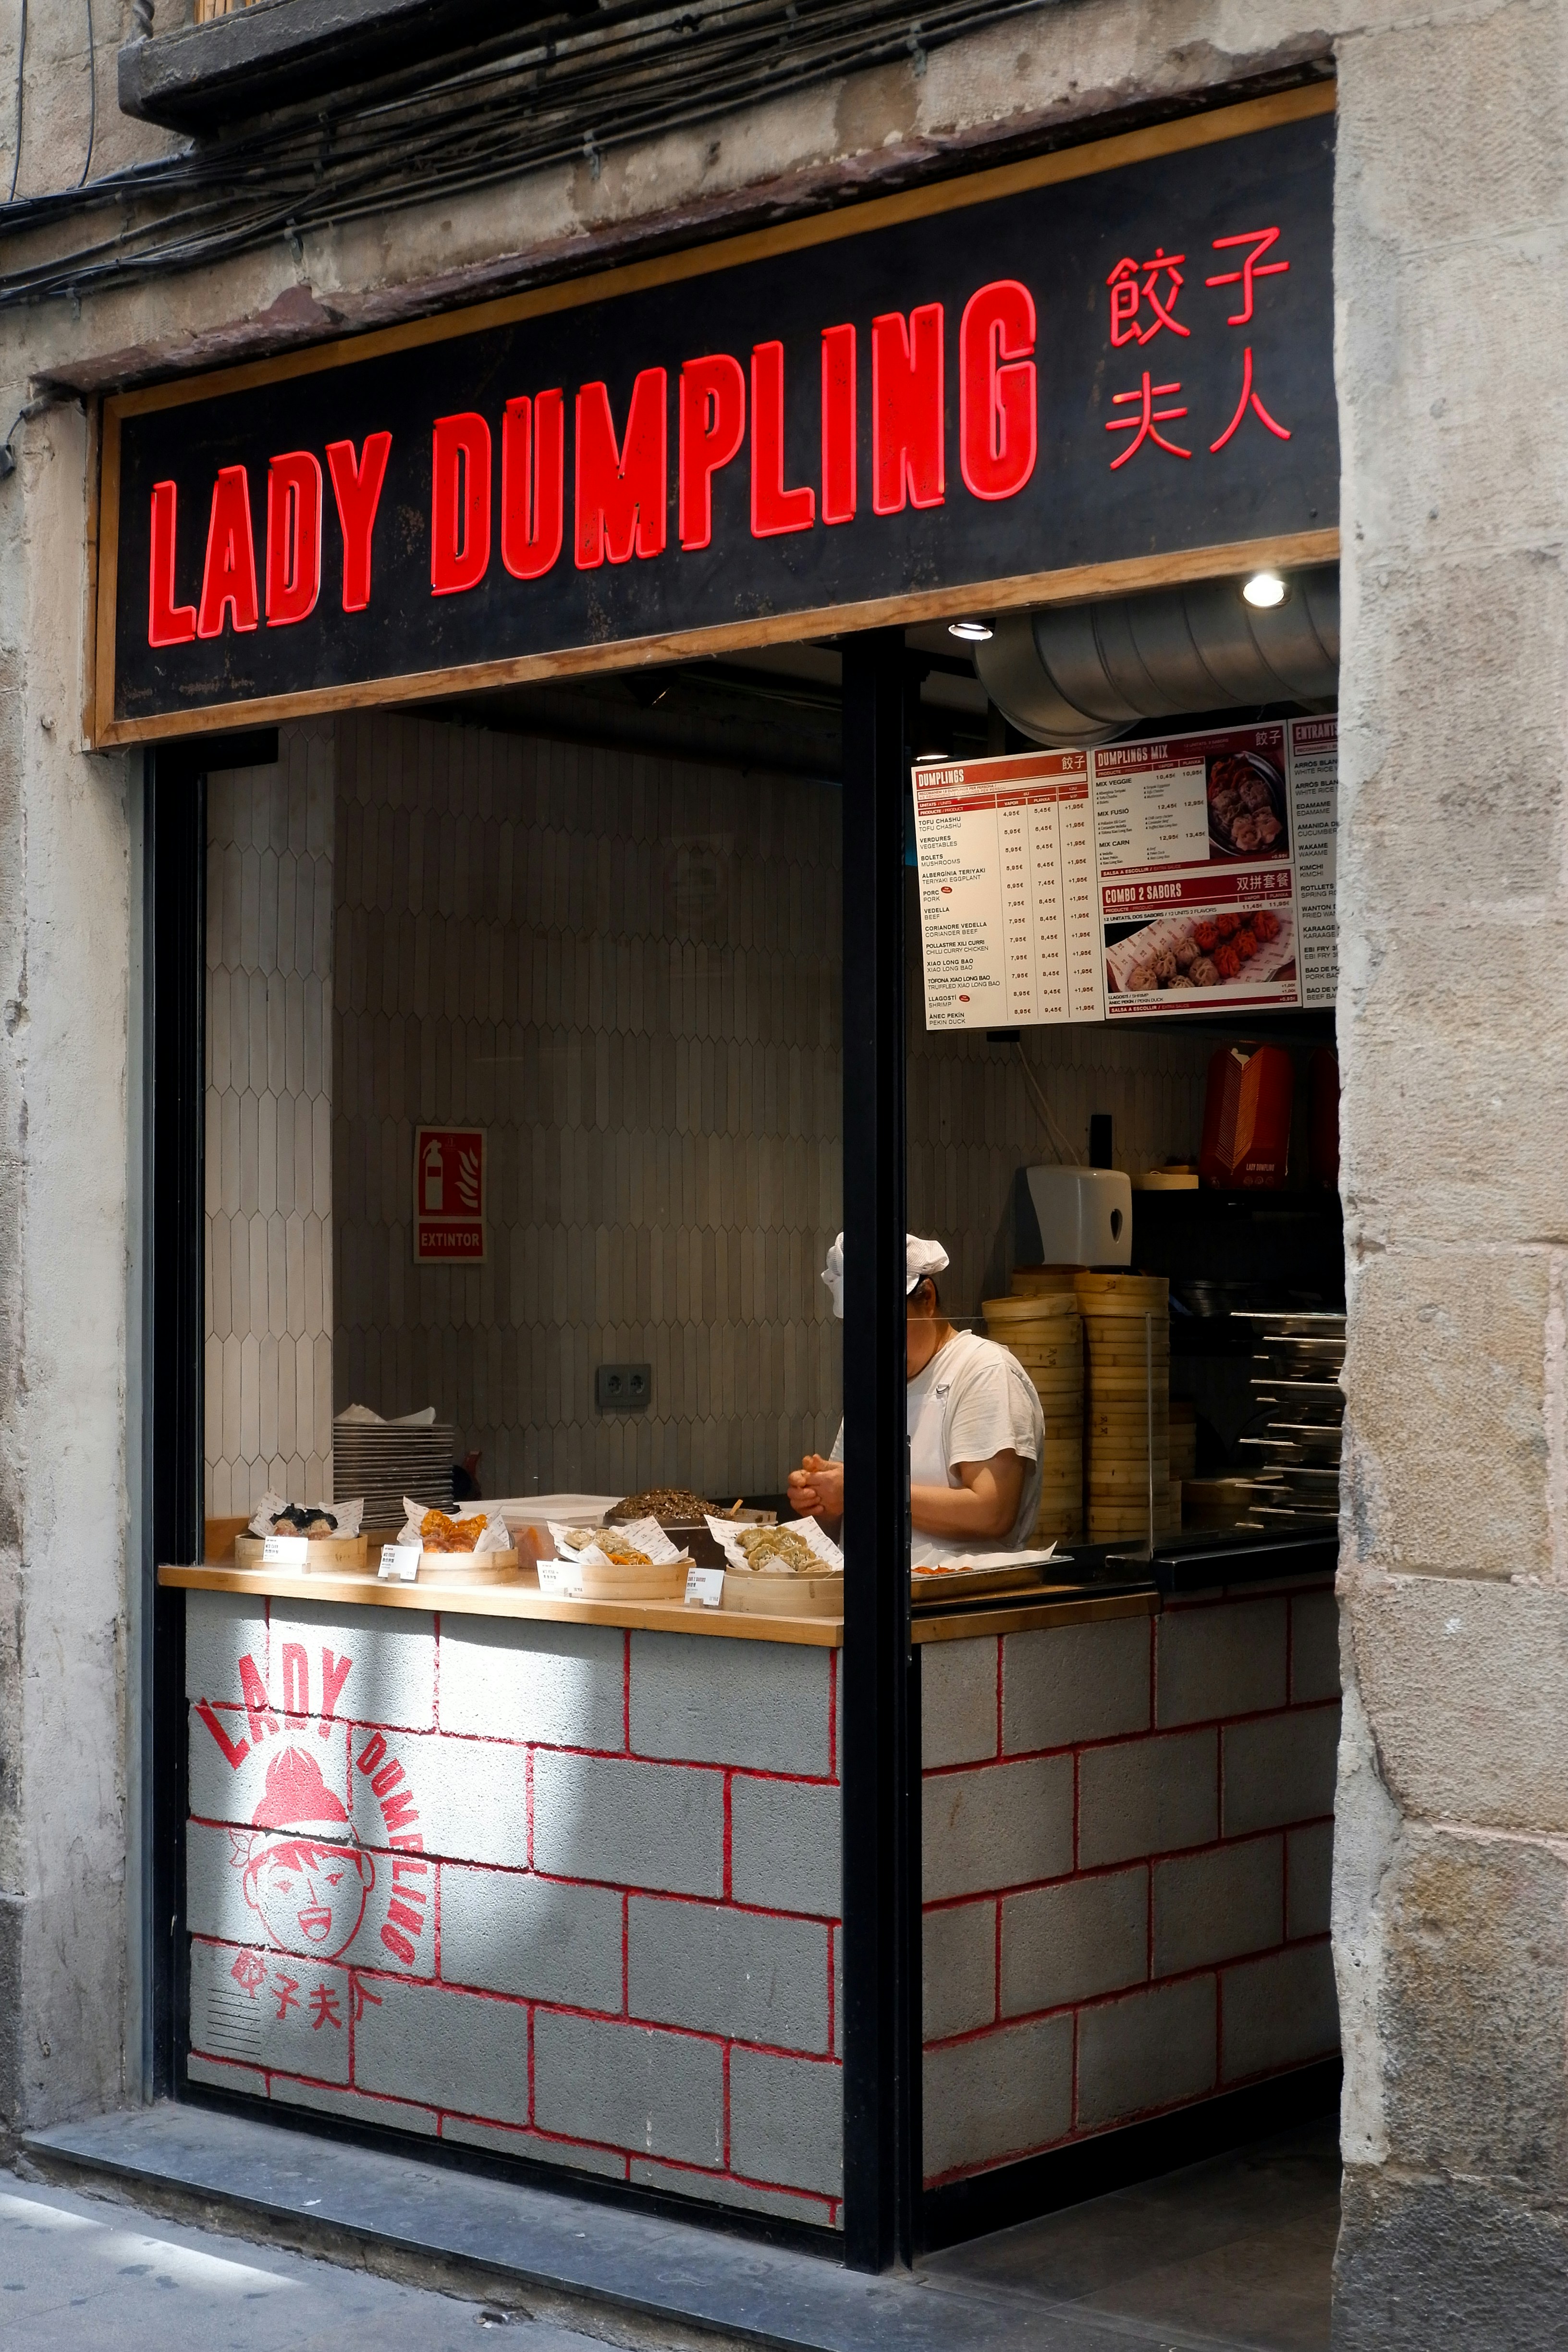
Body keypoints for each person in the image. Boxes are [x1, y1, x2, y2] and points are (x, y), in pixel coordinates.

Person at [788, 1232, 1046, 1563]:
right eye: (862, 1331)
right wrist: (820, 1498)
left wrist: (865, 1492)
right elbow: (847, 1503)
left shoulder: (982, 1370)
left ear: (927, 1300)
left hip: (958, 1601)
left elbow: (992, 1512)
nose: (875, 1344)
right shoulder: (875, 1388)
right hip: (876, 1599)